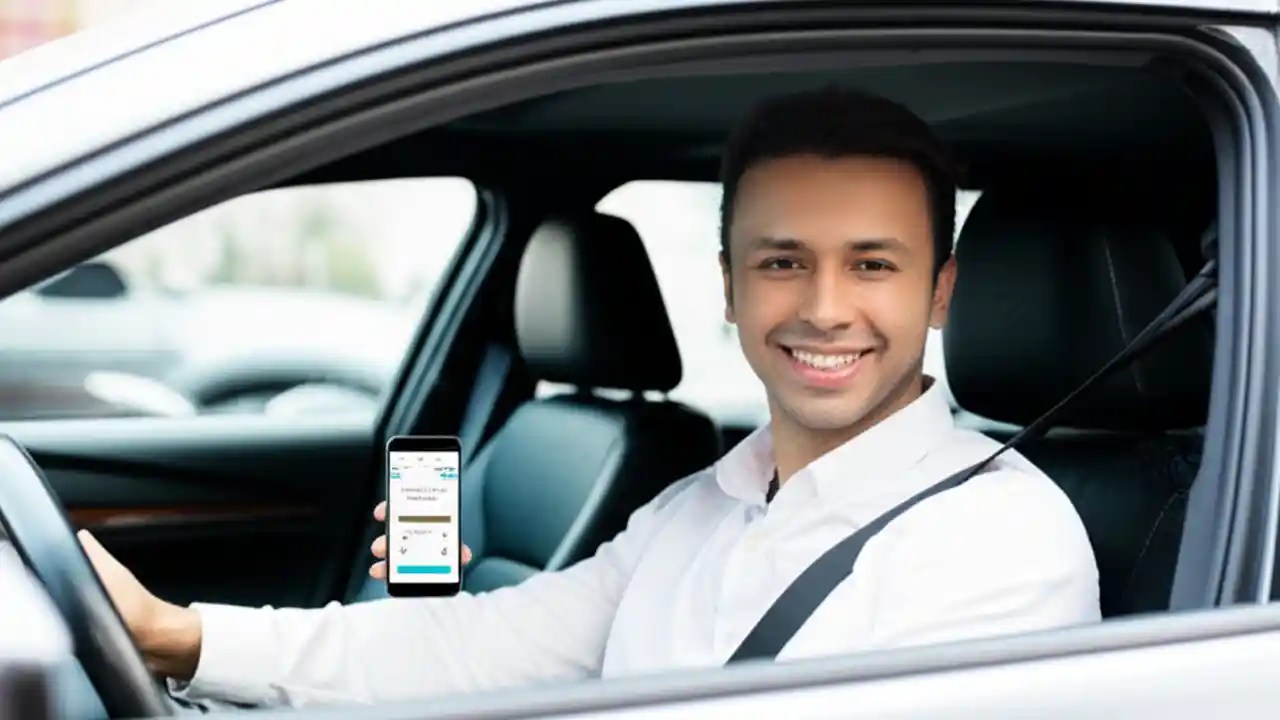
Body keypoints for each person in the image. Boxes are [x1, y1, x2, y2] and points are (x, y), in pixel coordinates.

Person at [79, 87, 1101, 708]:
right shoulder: (695, 510)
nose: (823, 308)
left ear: (937, 293)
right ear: (730, 286)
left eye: (871, 265)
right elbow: (476, 647)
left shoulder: (1001, 546)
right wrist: (180, 634)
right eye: (782, 262)